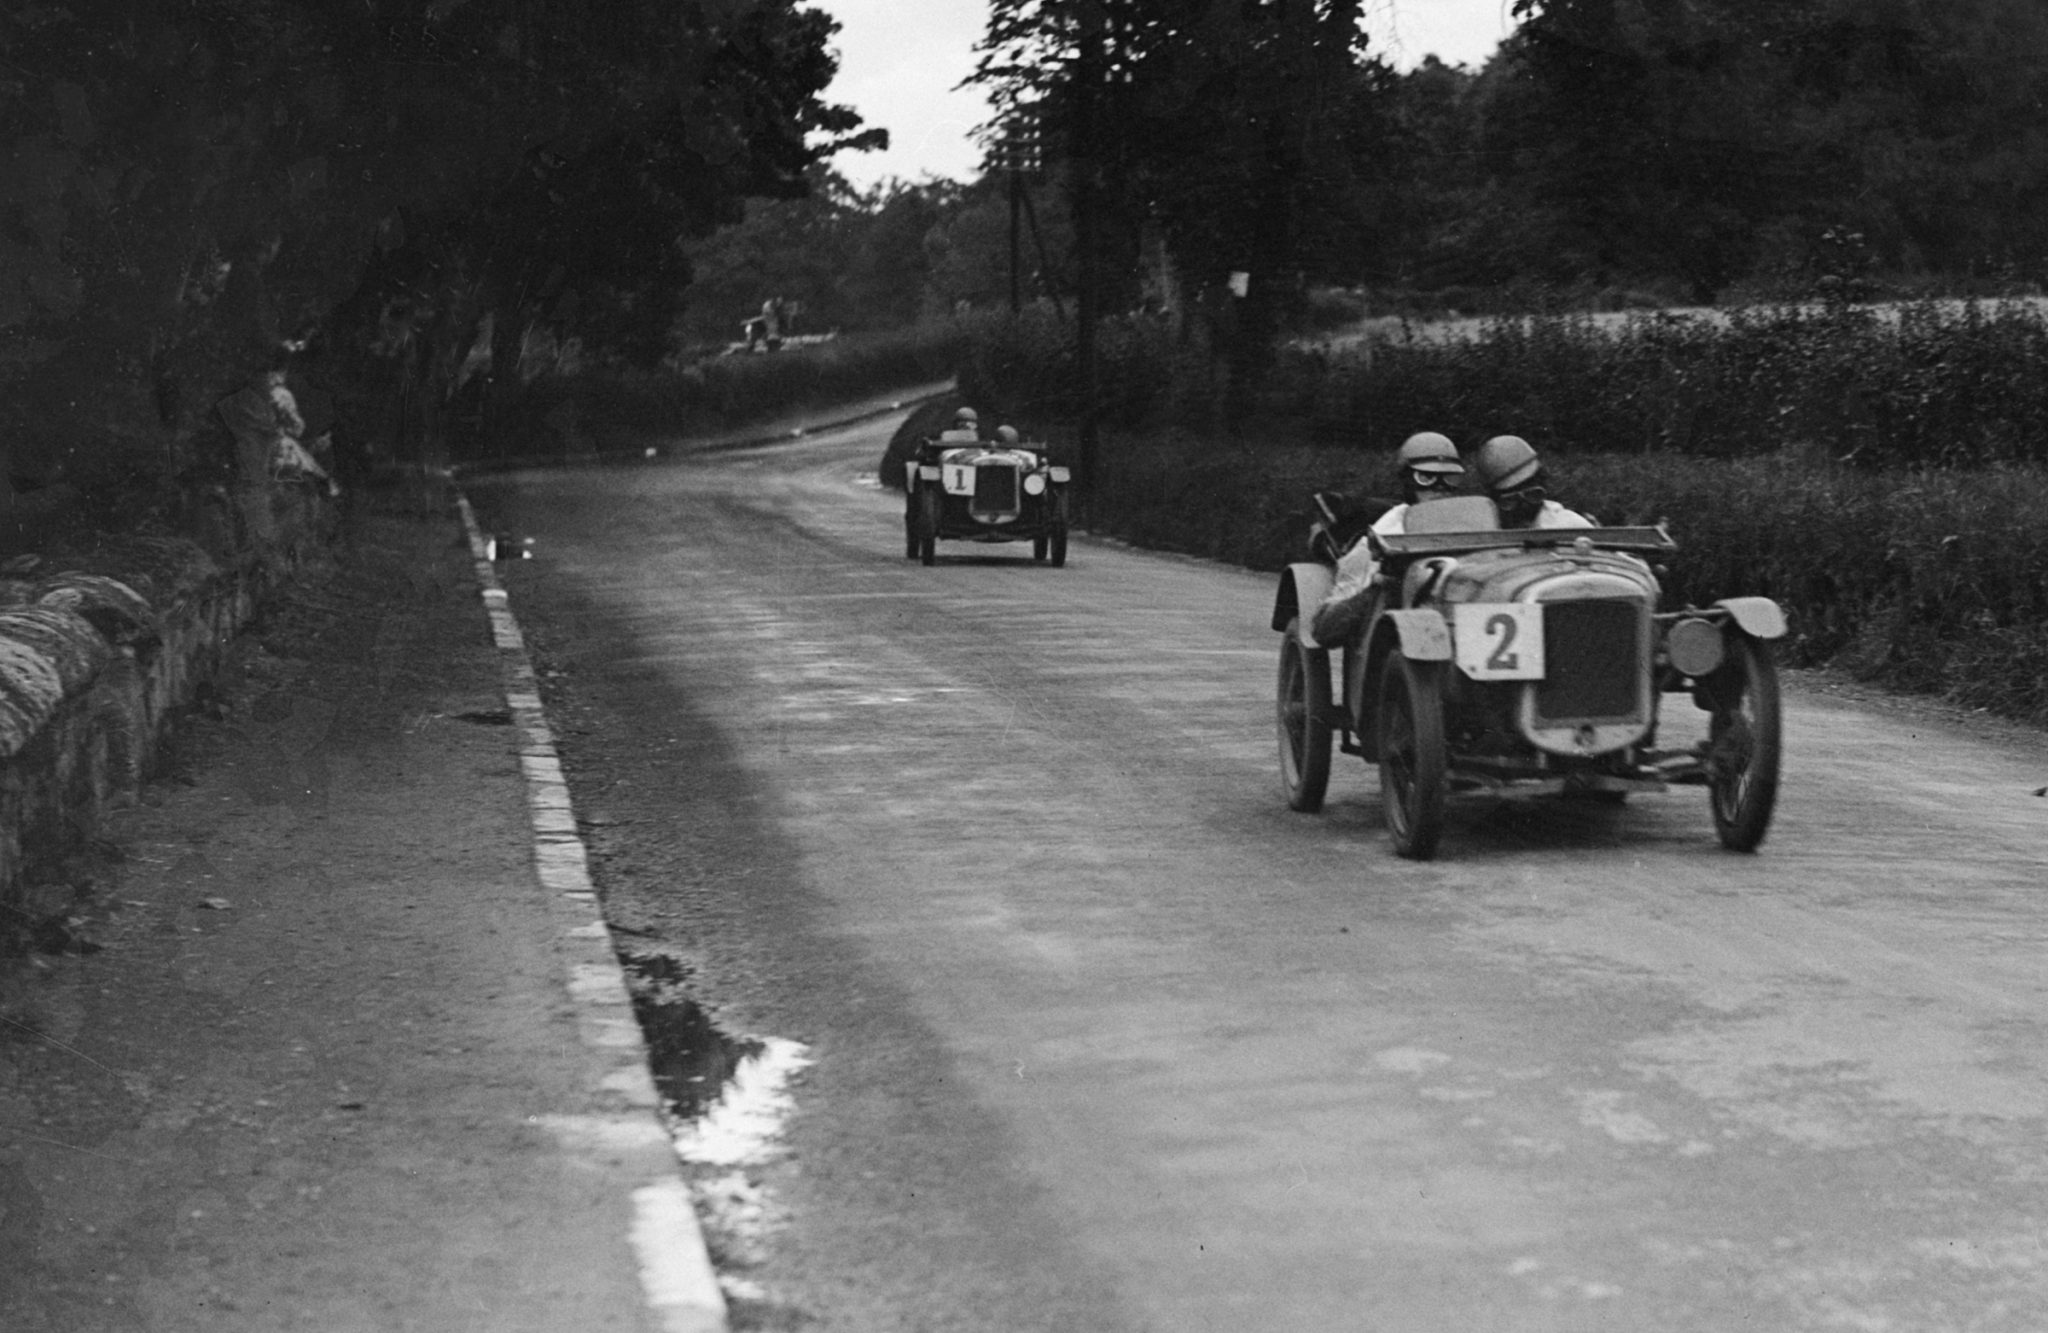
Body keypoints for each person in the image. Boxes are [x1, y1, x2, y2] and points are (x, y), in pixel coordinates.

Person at [1310, 431, 1466, 645]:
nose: (1439, 488)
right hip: (1397, 632)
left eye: (1449, 478)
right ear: (1408, 480)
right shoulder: (1383, 533)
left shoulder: (1470, 522)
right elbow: (1325, 630)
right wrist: (1381, 585)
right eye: (1426, 477)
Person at [1469, 434, 1593, 530]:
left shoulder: (1568, 525)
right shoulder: (1481, 531)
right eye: (1510, 501)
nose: (1524, 507)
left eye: (1533, 495)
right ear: (1493, 499)